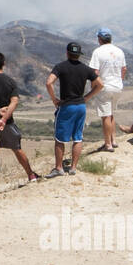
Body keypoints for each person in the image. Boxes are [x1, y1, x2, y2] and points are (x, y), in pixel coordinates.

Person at [0, 51, 37, 194]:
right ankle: (31, 175)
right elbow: (14, 102)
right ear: (4, 64)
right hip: (8, 121)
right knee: (17, 148)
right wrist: (4, 118)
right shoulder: (10, 81)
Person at [44, 42, 103, 175]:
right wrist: (87, 97)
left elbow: (49, 82)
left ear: (67, 53)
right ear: (79, 55)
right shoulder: (85, 69)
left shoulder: (60, 67)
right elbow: (100, 84)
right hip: (81, 106)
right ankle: (73, 168)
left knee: (60, 139)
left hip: (66, 106)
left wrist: (54, 99)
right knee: (78, 137)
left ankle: (59, 168)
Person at [88, 28, 127, 152]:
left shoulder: (97, 52)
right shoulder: (119, 51)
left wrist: (93, 86)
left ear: (99, 39)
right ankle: (114, 140)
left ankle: (108, 144)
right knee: (111, 113)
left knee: (105, 116)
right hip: (117, 86)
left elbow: (94, 71)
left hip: (105, 86)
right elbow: (124, 69)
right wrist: (120, 80)